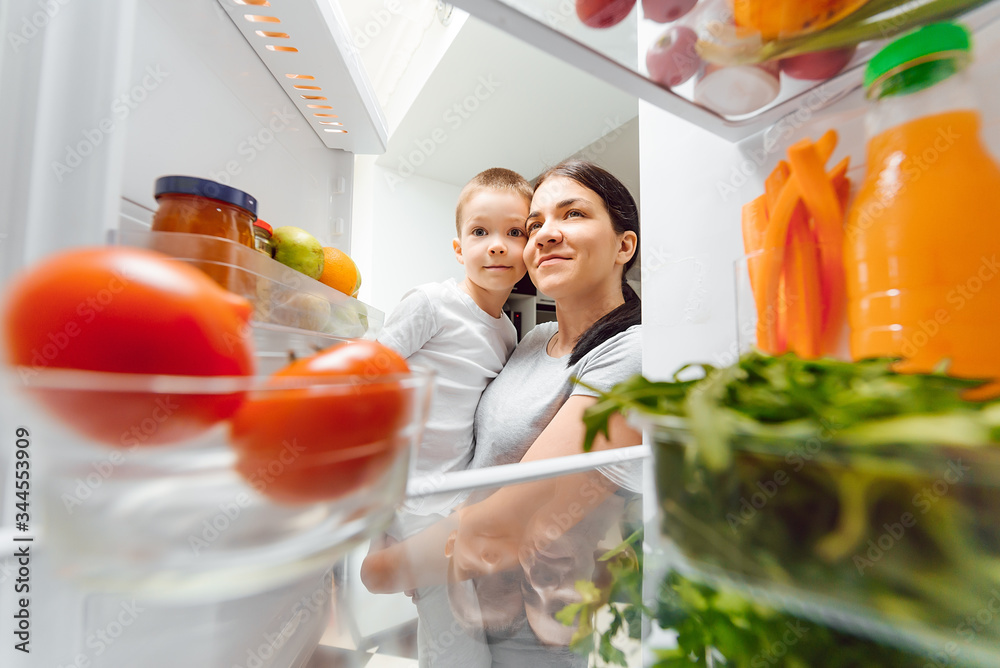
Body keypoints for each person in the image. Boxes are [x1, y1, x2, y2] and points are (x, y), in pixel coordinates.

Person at [363, 160, 642, 665]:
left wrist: (391, 566)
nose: (545, 234)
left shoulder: (632, 352)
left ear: (624, 245)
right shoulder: (529, 340)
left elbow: (513, 517)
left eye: (573, 213)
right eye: (534, 225)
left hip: (537, 623)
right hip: (459, 596)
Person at [370, 167, 533, 667]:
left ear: (531, 249)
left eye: (514, 232)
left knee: (459, 632)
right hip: (410, 501)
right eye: (480, 232)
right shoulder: (431, 304)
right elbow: (369, 376)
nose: (497, 246)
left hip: (456, 505)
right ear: (460, 248)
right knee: (456, 648)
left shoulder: (507, 333)